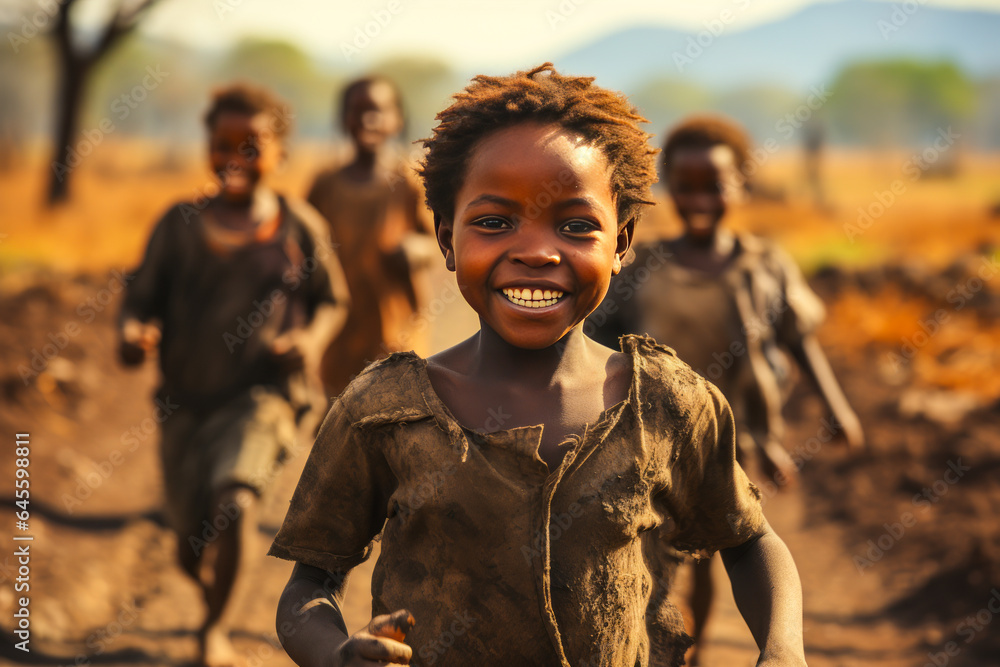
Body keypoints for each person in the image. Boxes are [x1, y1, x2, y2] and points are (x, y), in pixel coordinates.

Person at [269, 65, 807, 667]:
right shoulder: (384, 410)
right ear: (447, 238)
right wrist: (336, 652)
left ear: (622, 243)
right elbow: (307, 587)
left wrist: (783, 648)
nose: (535, 251)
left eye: (577, 226)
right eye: (494, 222)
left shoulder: (669, 402)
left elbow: (752, 539)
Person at [589, 114, 863, 664]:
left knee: (719, 545)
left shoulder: (765, 265)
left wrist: (837, 410)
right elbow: (595, 342)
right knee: (650, 552)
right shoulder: (640, 268)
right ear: (668, 188)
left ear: (741, 183)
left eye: (714, 184)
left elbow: (799, 341)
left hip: (731, 441)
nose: (699, 198)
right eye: (684, 186)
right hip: (648, 437)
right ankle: (654, 642)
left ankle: (698, 645)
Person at [118, 83, 350, 667]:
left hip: (263, 397)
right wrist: (132, 334)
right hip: (186, 403)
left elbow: (332, 300)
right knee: (185, 543)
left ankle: (213, 629)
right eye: (223, 145)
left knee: (236, 502)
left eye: (252, 146)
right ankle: (202, 583)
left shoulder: (299, 225)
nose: (236, 159)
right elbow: (138, 300)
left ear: (281, 153)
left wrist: (311, 340)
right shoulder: (179, 224)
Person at [306, 75, 437, 398]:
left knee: (395, 415)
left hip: (394, 328)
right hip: (337, 334)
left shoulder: (406, 182)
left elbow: (435, 242)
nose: (369, 119)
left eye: (379, 110)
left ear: (398, 119)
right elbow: (302, 247)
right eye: (358, 110)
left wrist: (414, 250)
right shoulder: (325, 185)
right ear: (343, 118)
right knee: (337, 422)